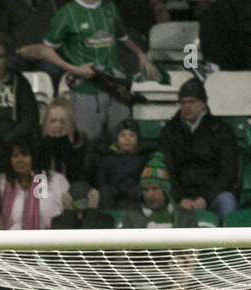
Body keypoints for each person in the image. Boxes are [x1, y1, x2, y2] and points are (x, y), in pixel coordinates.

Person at [24, 0, 160, 143]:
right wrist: (74, 69)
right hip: (85, 89)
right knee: (87, 144)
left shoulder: (110, 7)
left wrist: (141, 55)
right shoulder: (67, 13)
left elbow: (123, 37)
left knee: (122, 141)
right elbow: (45, 50)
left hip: (116, 90)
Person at [157, 77, 240, 220]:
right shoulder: (169, 131)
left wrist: (205, 199)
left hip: (213, 195)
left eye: (192, 102)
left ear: (203, 104)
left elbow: (228, 172)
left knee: (227, 201)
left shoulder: (222, 130)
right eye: (183, 102)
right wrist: (180, 198)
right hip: (179, 195)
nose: (186, 107)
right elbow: (166, 169)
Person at [0, 139, 68, 230]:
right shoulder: (2, 182)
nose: (19, 160)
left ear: (35, 157)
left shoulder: (55, 180)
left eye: (25, 155)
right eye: (15, 156)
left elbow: (67, 215)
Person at [122, 153, 198, 228]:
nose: (149, 195)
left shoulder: (186, 217)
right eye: (145, 190)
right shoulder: (131, 217)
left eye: (154, 189)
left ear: (166, 191)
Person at [36, 97, 97, 186]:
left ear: (71, 124)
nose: (57, 126)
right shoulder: (37, 143)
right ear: (45, 123)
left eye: (63, 122)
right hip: (43, 193)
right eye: (53, 121)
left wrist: (67, 146)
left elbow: (82, 179)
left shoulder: (81, 144)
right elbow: (37, 181)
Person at [96, 118, 146, 209]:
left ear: (137, 140)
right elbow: (101, 181)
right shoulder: (107, 159)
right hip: (114, 195)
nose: (127, 139)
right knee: (105, 191)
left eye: (132, 135)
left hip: (133, 196)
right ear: (116, 140)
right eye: (123, 135)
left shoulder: (142, 160)